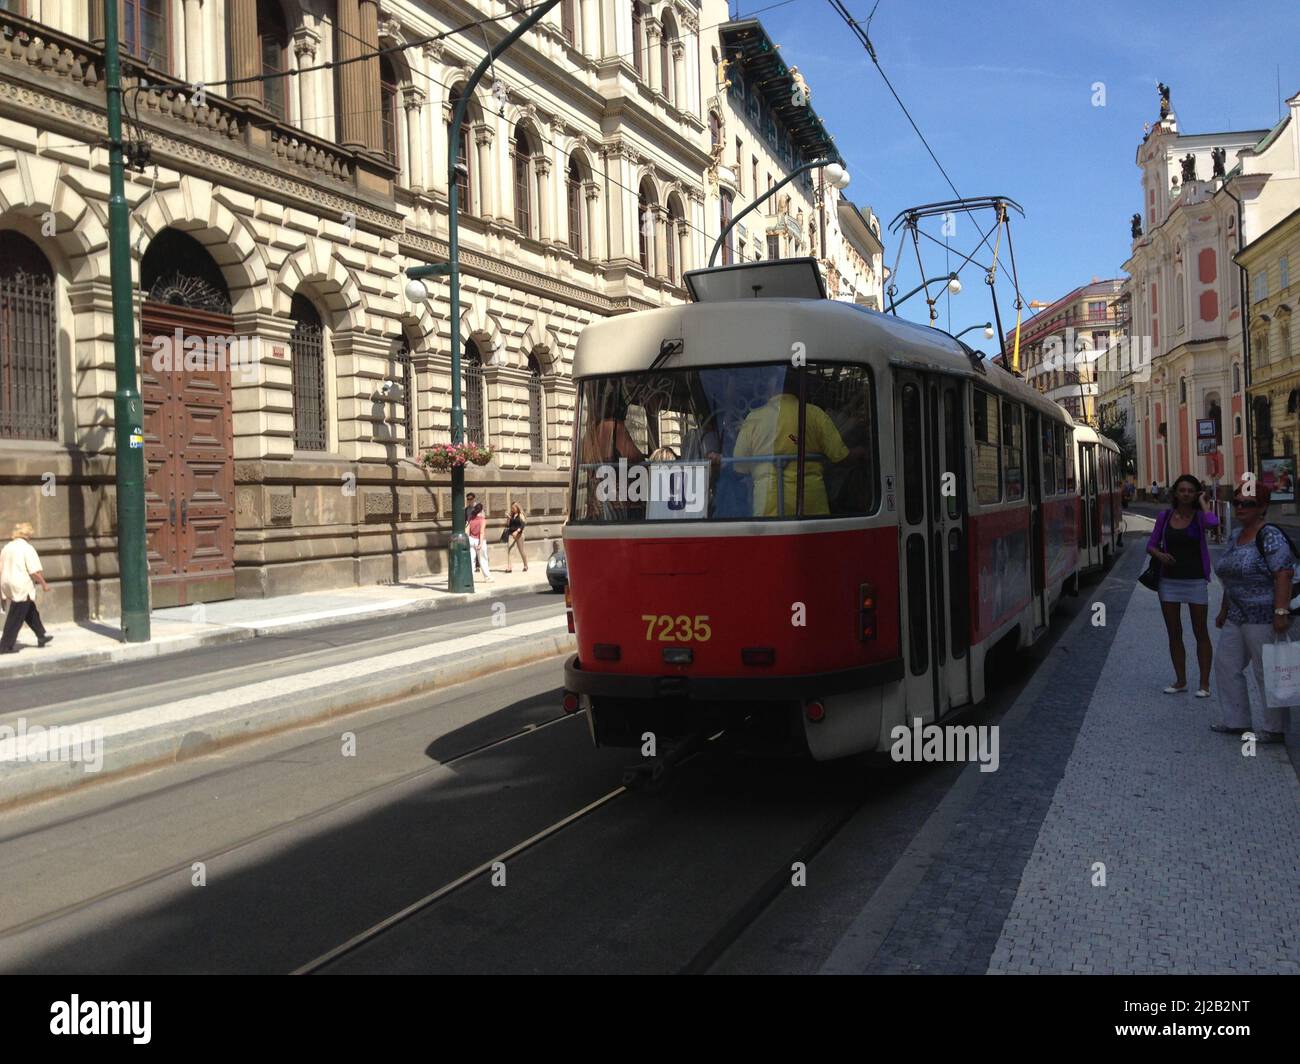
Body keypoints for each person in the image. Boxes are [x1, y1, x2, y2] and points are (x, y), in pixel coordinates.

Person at [1212, 483, 1293, 743]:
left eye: (1248, 503)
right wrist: (1224, 609)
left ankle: (1274, 728)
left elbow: (1284, 574)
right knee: (1226, 664)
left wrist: (1280, 611)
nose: (1240, 508)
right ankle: (1236, 721)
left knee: (1266, 670)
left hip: (1263, 615)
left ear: (1262, 507)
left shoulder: (1269, 535)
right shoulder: (1236, 535)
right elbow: (1231, 576)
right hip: (1236, 614)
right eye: (1237, 502)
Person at [731, 371, 866, 517]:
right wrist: (861, 452)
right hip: (811, 506)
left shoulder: (753, 418)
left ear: (772, 388)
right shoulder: (815, 414)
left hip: (767, 507)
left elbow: (739, 467)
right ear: (798, 388)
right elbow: (841, 457)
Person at [1146, 474, 1219, 695]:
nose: (1186, 494)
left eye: (1190, 490)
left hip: (1195, 580)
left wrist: (1205, 503)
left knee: (1200, 631)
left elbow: (1213, 523)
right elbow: (1150, 545)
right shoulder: (1165, 516)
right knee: (1174, 631)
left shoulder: (1199, 517)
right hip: (1169, 581)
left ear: (1195, 493)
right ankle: (1180, 680)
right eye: (1182, 490)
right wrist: (1160, 555)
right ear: (1175, 493)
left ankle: (1204, 684)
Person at [1, 523, 53, 654]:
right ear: (27, 534)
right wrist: (44, 584)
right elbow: (34, 571)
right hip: (21, 584)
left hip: (7, 582)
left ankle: (41, 635)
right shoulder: (27, 548)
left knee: (29, 609)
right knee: (16, 614)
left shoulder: (7, 547)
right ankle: (5, 646)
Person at [466, 502, 492, 582]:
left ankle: (469, 578)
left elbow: (467, 529)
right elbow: (481, 532)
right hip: (479, 540)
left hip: (471, 539)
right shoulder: (482, 520)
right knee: (483, 559)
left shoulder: (470, 518)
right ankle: (487, 577)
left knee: (471, 559)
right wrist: (480, 543)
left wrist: (467, 539)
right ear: (481, 511)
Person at [503, 501, 528, 573]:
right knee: (509, 550)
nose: (512, 509)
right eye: (511, 508)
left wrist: (517, 531)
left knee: (521, 551)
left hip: (519, 535)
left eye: (513, 508)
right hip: (511, 534)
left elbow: (523, 524)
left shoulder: (520, 515)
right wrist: (508, 518)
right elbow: (508, 525)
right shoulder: (511, 515)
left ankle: (525, 565)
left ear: (517, 508)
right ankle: (509, 567)